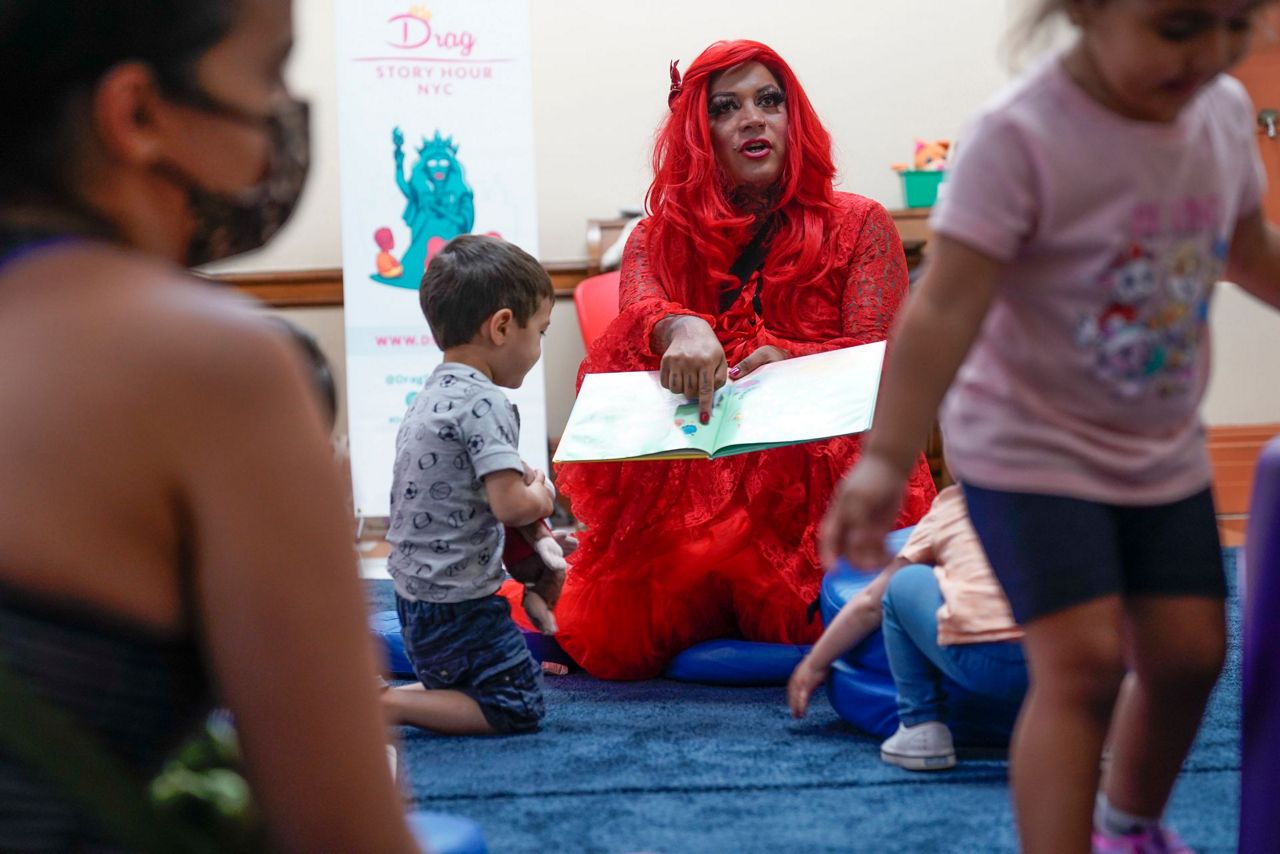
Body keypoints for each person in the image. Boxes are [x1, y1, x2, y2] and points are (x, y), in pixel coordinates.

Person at [822, 1, 1280, 851]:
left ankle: (1126, 824)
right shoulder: (1021, 136)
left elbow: (1246, 245)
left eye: (1237, 24)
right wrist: (885, 459)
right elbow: (941, 310)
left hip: (1159, 448)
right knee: (1083, 667)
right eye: (1180, 28)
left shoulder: (1216, 112)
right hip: (1029, 451)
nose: (1211, 53)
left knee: (1188, 657)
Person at [0, 1, 419, 850]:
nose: (282, 121)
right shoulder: (217, 368)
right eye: (269, 74)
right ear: (138, 113)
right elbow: (344, 833)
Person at [505, 40, 936, 680]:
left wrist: (790, 357)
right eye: (726, 108)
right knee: (616, 638)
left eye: (769, 101)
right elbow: (637, 313)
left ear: (794, 118)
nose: (753, 119)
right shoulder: (656, 237)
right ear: (698, 132)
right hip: (697, 484)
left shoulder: (860, 224)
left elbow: (886, 365)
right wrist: (679, 327)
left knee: (846, 618)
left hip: (823, 484)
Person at [380, 234, 557, 735]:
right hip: (457, 605)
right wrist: (542, 495)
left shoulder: (433, 391)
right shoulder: (487, 401)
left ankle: (388, 697)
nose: (539, 347)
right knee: (515, 704)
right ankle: (383, 706)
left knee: (470, 684)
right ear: (503, 326)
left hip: (416, 600)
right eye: (540, 332)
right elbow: (509, 505)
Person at [789, 485, 1027, 771]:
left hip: (979, 661)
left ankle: (921, 728)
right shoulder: (1073, 503)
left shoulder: (951, 505)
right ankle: (1093, 732)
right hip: (1056, 668)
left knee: (904, 582)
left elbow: (869, 602)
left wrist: (815, 662)